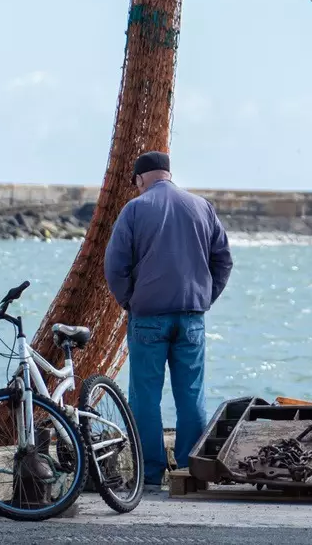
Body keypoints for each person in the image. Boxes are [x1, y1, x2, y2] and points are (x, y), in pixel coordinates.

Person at [103, 151, 234, 487]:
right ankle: (191, 472)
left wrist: (129, 300)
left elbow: (115, 265)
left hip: (148, 317)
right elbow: (223, 261)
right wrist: (204, 297)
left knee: (145, 396)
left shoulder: (135, 209)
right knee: (191, 394)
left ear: (141, 178)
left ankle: (149, 475)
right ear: (168, 174)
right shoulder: (201, 206)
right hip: (191, 316)